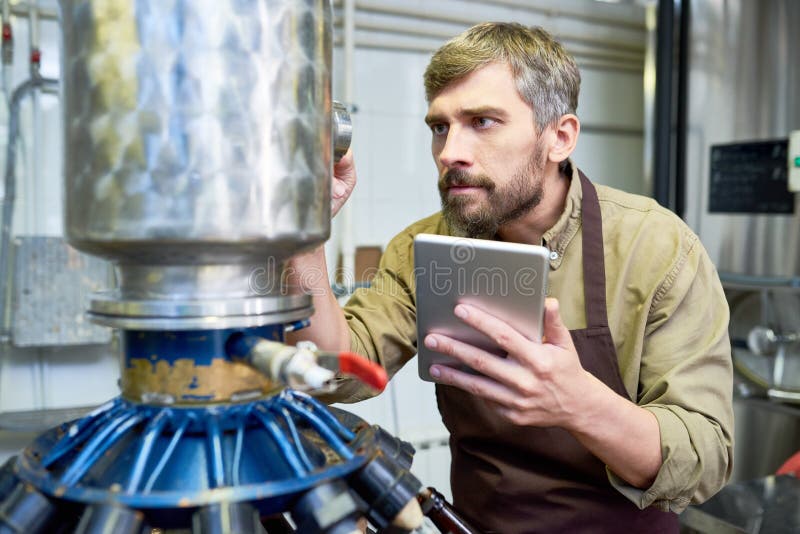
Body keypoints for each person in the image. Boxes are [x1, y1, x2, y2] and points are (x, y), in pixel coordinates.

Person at [287, 22, 733, 533]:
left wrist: (578, 403)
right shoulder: (423, 249)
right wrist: (307, 229)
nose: (450, 150)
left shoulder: (655, 247)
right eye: (440, 126)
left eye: (482, 121)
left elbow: (706, 457)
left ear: (559, 137)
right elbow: (331, 370)